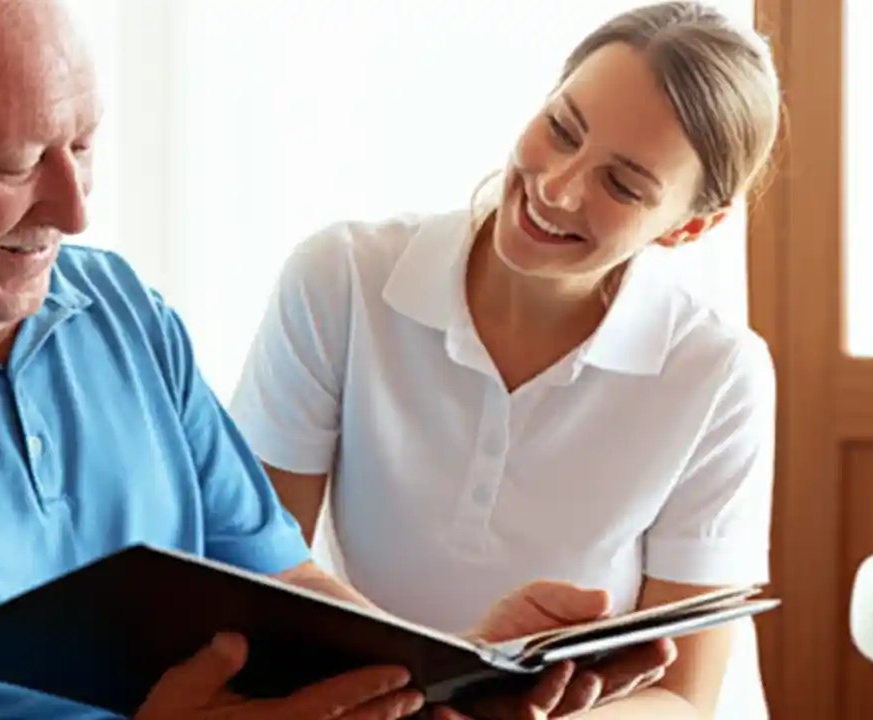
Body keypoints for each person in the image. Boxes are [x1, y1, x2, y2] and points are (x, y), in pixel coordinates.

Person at [0, 1, 675, 719]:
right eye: (12, 164)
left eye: (82, 145)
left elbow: (283, 584)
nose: (74, 208)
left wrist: (449, 670)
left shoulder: (119, 308)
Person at [229, 2, 782, 719]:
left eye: (622, 185)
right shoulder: (342, 281)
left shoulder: (717, 374)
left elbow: (682, 694)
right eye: (562, 129)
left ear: (691, 226)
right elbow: (255, 577)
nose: (557, 186)